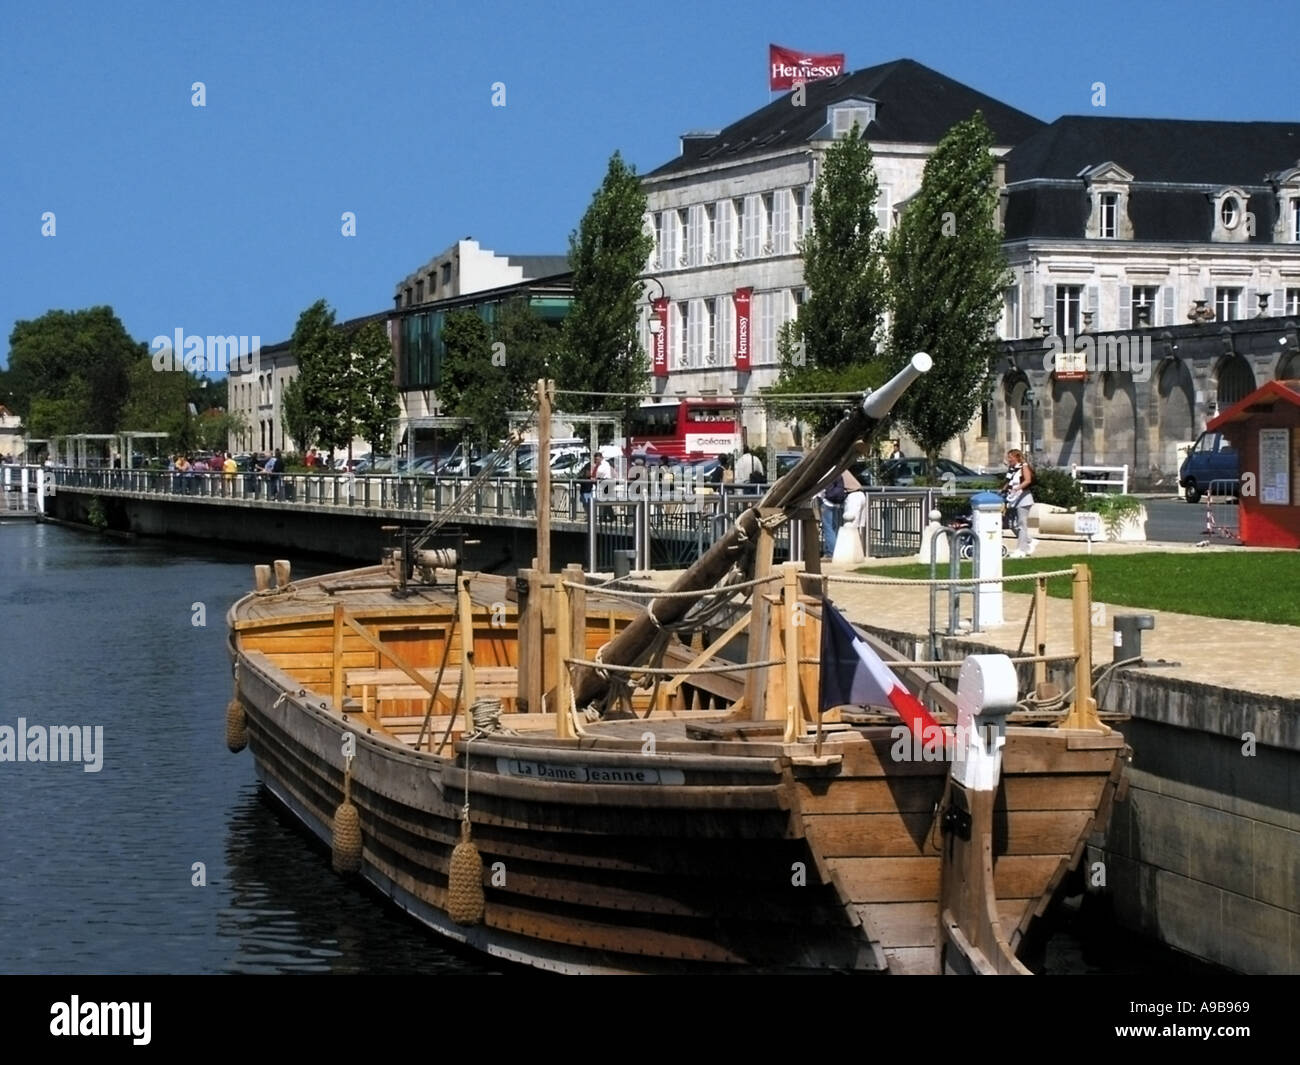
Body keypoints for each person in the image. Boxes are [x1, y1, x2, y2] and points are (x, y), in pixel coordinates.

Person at [1003, 448, 1036, 556]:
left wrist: (1017, 488)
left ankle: (1021, 549)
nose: (1009, 459)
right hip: (1013, 499)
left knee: (1022, 524)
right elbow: (1009, 482)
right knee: (1012, 524)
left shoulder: (1024, 466)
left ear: (1016, 457)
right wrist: (1002, 489)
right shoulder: (1012, 469)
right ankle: (1030, 541)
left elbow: (1028, 480)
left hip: (1024, 498)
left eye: (1010, 457)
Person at [818, 472, 847, 558]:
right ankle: (831, 551)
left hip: (826, 503)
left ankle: (831, 552)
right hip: (836, 504)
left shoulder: (825, 473)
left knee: (828, 529)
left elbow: (820, 490)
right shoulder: (837, 473)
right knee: (833, 528)